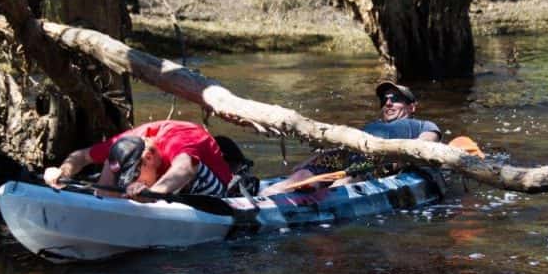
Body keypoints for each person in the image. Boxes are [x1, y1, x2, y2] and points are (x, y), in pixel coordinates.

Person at [263, 81, 441, 194]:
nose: (388, 103)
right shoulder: (372, 126)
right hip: (348, 156)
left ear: (412, 107)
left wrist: (405, 155)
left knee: (349, 177)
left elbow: (426, 144)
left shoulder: (423, 125)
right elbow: (347, 146)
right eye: (384, 100)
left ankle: (326, 195)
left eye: (395, 98)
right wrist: (315, 158)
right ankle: (267, 197)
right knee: (302, 173)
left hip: (381, 160)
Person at [43, 120, 233, 198]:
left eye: (133, 175)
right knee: (111, 161)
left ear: (149, 157)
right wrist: (61, 171)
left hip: (214, 188)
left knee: (191, 168)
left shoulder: (179, 142)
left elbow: (184, 169)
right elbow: (81, 156)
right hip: (159, 175)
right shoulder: (125, 144)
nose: (131, 180)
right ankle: (101, 200)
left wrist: (151, 194)